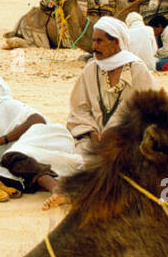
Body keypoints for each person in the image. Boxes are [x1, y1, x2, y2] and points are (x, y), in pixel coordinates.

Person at [0, 68, 84, 204]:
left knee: (11, 156)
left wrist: (2, 139)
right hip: (20, 161)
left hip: (47, 140)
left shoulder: (4, 105)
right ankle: (62, 185)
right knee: (3, 177)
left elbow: (37, 119)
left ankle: (57, 189)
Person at [67, 15, 159, 153]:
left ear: (116, 42)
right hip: (91, 140)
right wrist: (92, 134)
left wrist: (116, 133)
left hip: (127, 141)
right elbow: (79, 110)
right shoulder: (90, 69)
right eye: (93, 41)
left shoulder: (137, 70)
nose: (94, 46)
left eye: (99, 41)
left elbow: (150, 112)